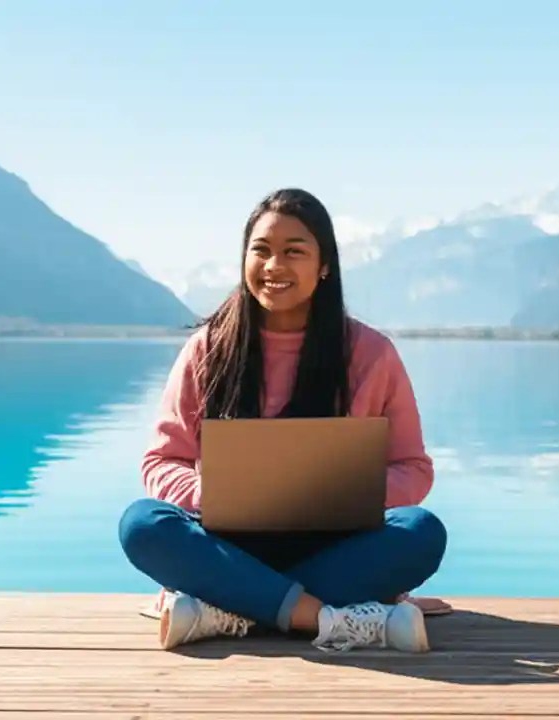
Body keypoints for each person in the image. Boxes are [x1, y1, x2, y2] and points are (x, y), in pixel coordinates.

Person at [117, 188, 447, 653]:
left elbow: (412, 467)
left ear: (324, 265)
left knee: (421, 532)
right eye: (262, 251)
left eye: (294, 252)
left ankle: (226, 609)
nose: (274, 266)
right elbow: (163, 460)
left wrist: (341, 498)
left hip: (334, 543)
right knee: (142, 524)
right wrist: (218, 497)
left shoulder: (373, 354)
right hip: (230, 542)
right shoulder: (208, 349)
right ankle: (328, 618)